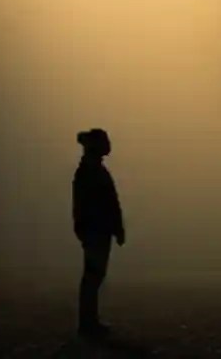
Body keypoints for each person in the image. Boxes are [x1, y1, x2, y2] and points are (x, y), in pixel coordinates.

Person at [72, 128, 125, 337]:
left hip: (98, 230)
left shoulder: (92, 169)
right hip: (96, 230)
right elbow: (88, 203)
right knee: (93, 276)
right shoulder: (90, 171)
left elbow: (110, 202)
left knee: (94, 276)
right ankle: (87, 323)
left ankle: (89, 321)